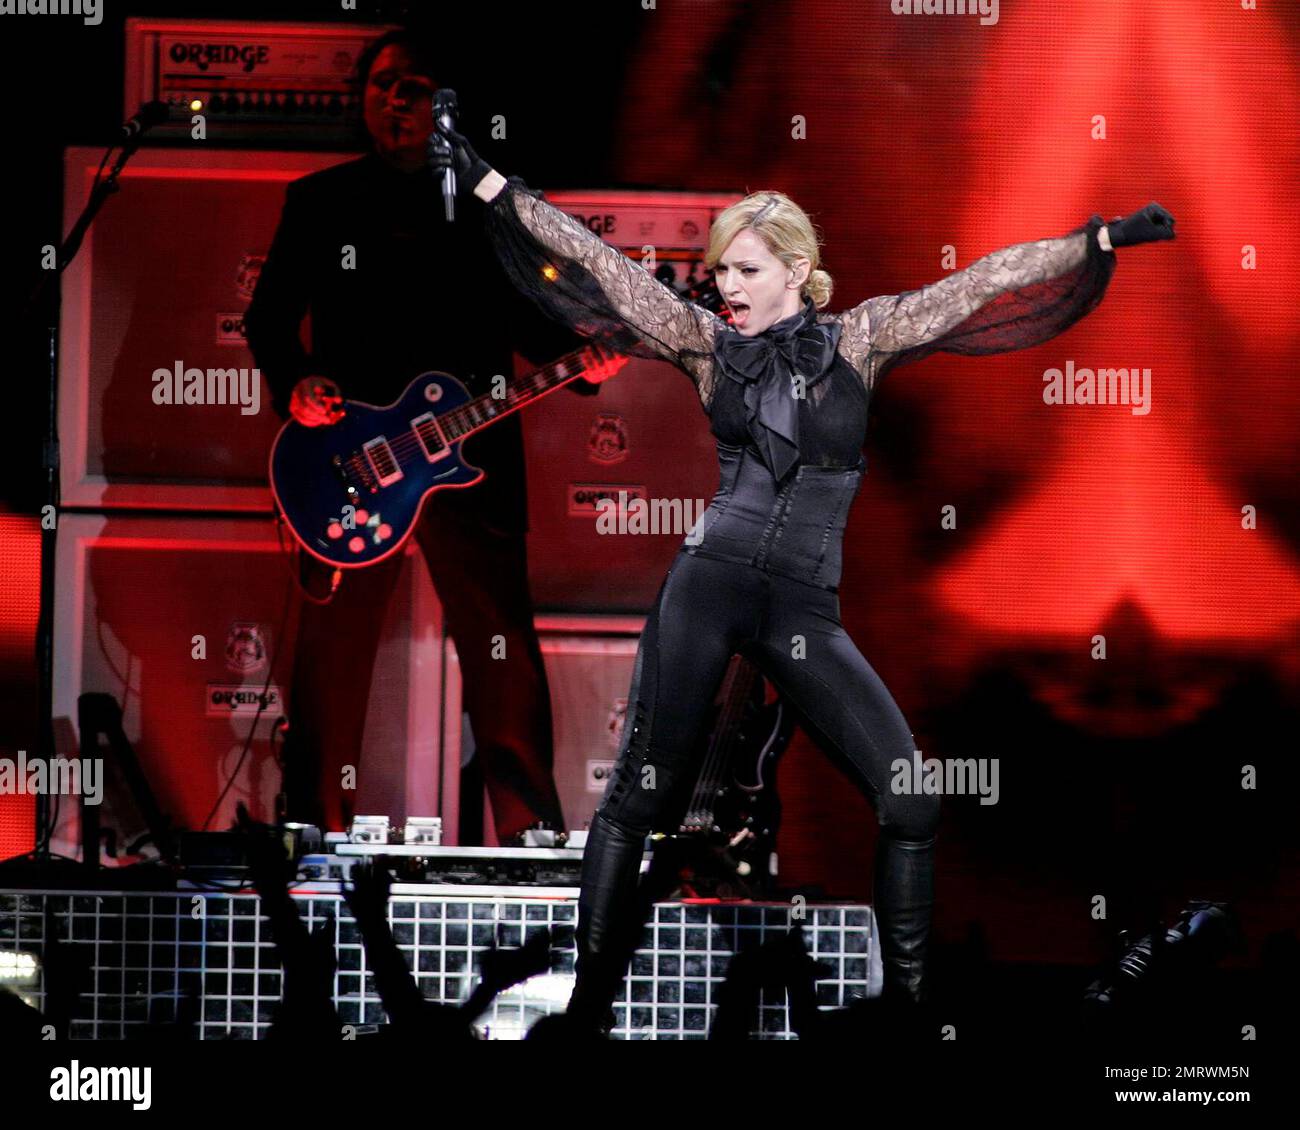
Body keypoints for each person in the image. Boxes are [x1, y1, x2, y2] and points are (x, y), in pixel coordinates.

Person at [430, 121, 1175, 1035]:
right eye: (720, 272)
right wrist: (491, 184)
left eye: (743, 270)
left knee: (910, 796)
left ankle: (907, 1016)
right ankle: (589, 1011)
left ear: (795, 269)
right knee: (643, 799)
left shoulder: (864, 339)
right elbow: (597, 260)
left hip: (803, 609)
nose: (724, 286)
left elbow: (983, 281)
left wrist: (1093, 241)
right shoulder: (702, 341)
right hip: (708, 586)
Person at [246, 30, 594, 844]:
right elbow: (267, 319)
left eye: (415, 84)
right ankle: (312, 838)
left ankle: (531, 843)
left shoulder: (489, 205)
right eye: (381, 85)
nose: (396, 99)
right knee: (330, 660)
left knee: (501, 648)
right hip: (348, 461)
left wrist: (587, 360)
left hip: (468, 459)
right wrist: (295, 386)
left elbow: (528, 321)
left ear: (448, 104)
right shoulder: (321, 201)